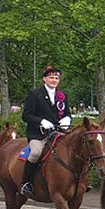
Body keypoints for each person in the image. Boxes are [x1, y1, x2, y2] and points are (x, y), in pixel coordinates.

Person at [20, 65, 72, 196]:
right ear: (44, 79)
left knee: (73, 150)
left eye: (56, 78)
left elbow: (67, 113)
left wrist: (67, 119)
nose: (54, 80)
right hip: (39, 134)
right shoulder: (35, 94)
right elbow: (26, 115)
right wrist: (41, 121)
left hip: (58, 132)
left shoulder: (62, 95)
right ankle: (26, 183)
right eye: (51, 77)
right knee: (36, 153)